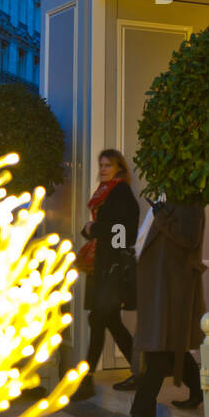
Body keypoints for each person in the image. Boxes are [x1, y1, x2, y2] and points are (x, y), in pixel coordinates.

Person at [120, 199, 206, 417]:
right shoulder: (167, 201)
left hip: (173, 287)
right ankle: (196, 391)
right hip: (160, 286)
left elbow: (189, 238)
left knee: (158, 353)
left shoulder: (189, 202)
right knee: (168, 348)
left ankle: (141, 413)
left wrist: (162, 217)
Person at [70, 149, 139, 402]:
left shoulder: (120, 192)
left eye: (107, 165)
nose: (102, 169)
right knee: (107, 321)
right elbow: (96, 228)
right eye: (100, 165)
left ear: (119, 167)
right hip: (101, 265)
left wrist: (95, 229)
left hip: (110, 267)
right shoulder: (105, 191)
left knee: (100, 320)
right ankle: (140, 371)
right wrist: (92, 230)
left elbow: (123, 230)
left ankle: (86, 380)